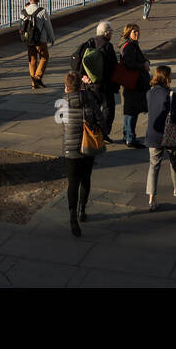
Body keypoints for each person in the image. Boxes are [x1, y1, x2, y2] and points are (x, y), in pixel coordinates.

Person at [61, 70, 102, 235]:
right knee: (85, 179)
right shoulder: (89, 100)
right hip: (87, 146)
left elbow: (60, 120)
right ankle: (82, 210)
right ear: (80, 85)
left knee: (72, 182)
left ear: (66, 86)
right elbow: (100, 118)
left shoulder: (62, 102)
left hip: (70, 148)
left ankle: (72, 216)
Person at [145, 65, 176, 210]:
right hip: (169, 134)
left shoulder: (149, 93)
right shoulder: (171, 95)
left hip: (153, 134)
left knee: (154, 165)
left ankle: (152, 198)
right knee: (174, 161)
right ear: (166, 77)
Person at [71, 21, 119, 139]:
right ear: (107, 33)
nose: (112, 34)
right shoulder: (107, 46)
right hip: (104, 85)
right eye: (111, 32)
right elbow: (112, 67)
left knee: (92, 110)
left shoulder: (89, 43)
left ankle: (90, 132)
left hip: (89, 85)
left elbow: (76, 61)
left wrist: (83, 76)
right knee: (108, 109)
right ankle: (103, 133)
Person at [118, 24, 151, 148]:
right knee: (132, 111)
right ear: (128, 33)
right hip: (133, 84)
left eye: (138, 31)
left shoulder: (131, 44)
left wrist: (146, 62)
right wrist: (143, 65)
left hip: (131, 83)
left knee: (129, 110)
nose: (137, 34)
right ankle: (130, 138)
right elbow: (129, 64)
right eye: (134, 32)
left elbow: (139, 58)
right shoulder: (129, 47)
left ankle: (127, 135)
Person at [20, 0, 56, 89]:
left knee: (32, 60)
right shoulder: (42, 11)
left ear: (30, 0)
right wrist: (52, 38)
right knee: (44, 57)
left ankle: (33, 83)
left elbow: (22, 24)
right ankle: (37, 77)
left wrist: (25, 7)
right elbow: (48, 26)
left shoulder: (24, 11)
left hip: (29, 39)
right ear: (38, 0)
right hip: (41, 39)